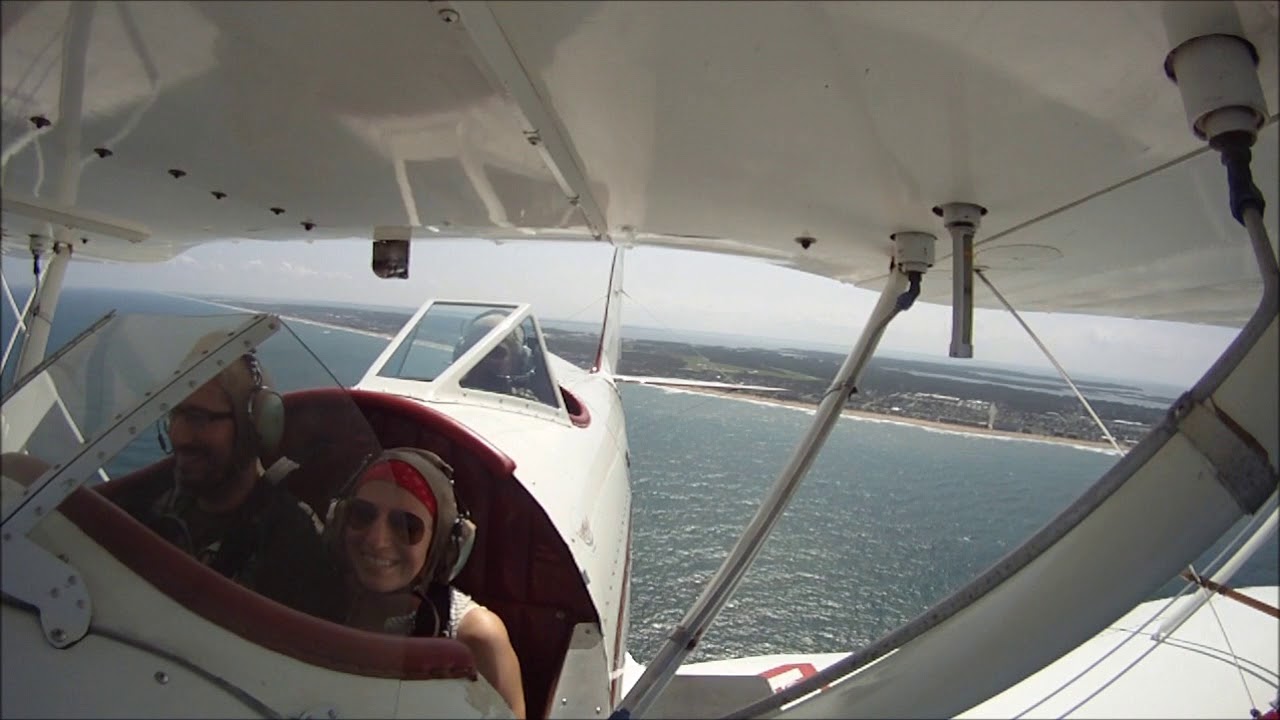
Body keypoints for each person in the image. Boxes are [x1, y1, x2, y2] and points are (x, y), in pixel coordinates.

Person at [114, 336, 345, 623]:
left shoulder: (292, 543)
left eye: (198, 418)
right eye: (176, 414)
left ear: (254, 426)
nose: (178, 436)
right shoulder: (148, 501)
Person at [330, 447, 526, 719]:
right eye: (362, 515)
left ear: (443, 545)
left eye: (407, 526)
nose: (377, 540)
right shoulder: (320, 595)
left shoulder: (477, 635)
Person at [456, 312, 538, 401]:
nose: (483, 360)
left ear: (519, 360)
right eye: (474, 351)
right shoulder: (444, 391)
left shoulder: (525, 404)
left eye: (496, 352)